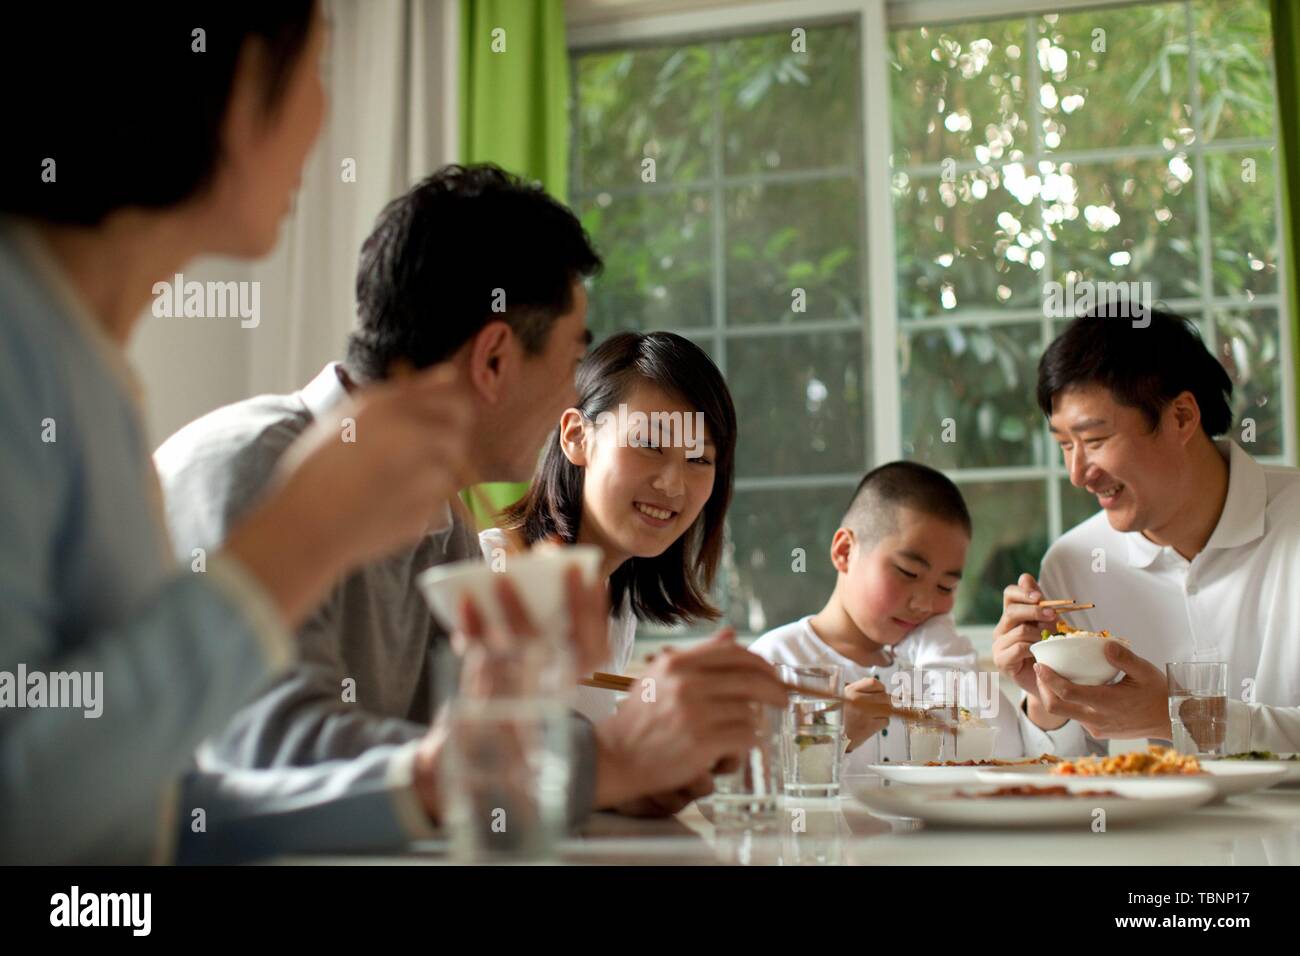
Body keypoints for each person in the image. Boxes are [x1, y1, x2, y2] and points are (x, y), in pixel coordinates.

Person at [156, 166, 789, 832]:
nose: (575, 402)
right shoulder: (253, 464)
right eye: (573, 358)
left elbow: (461, 737)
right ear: (494, 360)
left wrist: (623, 769)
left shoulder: (440, 523)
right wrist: (602, 764)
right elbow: (270, 755)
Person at [0, 2, 477, 863]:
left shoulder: (92, 373)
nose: (324, 115)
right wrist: (298, 538)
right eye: (314, 72)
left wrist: (425, 788)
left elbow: (150, 808)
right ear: (233, 77)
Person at [993, 308, 1300, 755]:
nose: (1077, 474)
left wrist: (1179, 716)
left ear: (1180, 416)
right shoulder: (1073, 563)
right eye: (1064, 444)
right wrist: (1049, 702)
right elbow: (1074, 776)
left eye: (1094, 440)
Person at [487, 330, 735, 723]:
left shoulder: (616, 605)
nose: (672, 484)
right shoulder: (486, 571)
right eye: (650, 445)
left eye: (699, 460)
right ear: (576, 437)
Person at [748, 462, 1055, 770]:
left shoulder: (941, 659)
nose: (924, 603)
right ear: (844, 552)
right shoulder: (774, 662)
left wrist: (946, 647)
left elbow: (1010, 762)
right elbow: (746, 787)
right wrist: (835, 733)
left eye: (945, 586)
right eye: (908, 573)